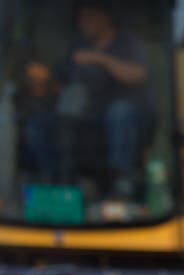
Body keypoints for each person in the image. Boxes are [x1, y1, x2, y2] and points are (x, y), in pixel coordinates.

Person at [23, 0, 150, 195]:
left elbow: (138, 75)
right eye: (80, 20)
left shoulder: (128, 43)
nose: (82, 24)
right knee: (38, 125)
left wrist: (98, 59)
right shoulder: (78, 46)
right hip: (81, 121)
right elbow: (60, 85)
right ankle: (56, 181)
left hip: (118, 123)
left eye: (88, 18)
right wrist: (43, 80)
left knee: (120, 112)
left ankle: (121, 180)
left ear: (105, 18)